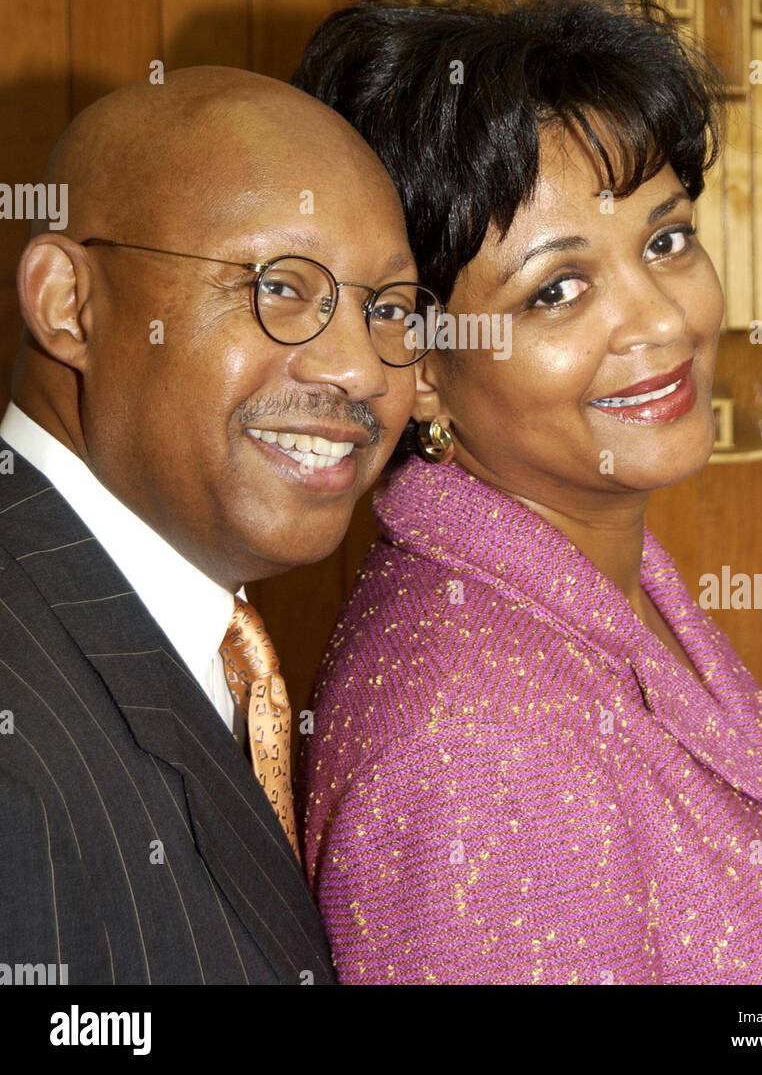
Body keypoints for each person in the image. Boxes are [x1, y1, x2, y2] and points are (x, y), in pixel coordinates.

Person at [291, 0, 762, 985]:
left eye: (666, 240)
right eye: (559, 289)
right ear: (422, 365)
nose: (664, 320)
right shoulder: (479, 752)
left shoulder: (590, 592)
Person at [0, 66, 439, 984]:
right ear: (66, 303)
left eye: (388, 309)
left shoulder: (190, 638)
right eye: (279, 287)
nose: (360, 369)